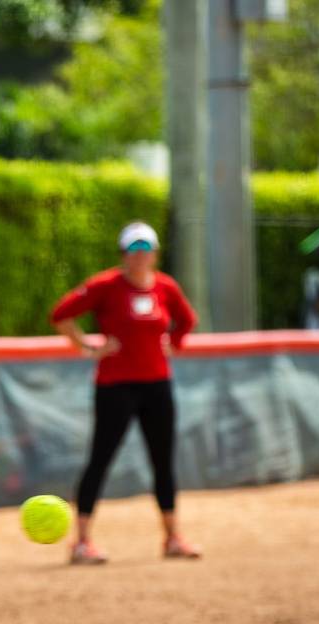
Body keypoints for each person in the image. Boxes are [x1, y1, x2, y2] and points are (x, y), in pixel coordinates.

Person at [50, 221, 201, 564]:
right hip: (116, 386)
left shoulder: (165, 287)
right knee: (100, 459)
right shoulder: (106, 285)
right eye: (133, 249)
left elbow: (187, 320)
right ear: (123, 254)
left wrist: (174, 343)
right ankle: (82, 541)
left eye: (146, 249)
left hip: (156, 384)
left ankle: (172, 537)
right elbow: (60, 314)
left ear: (155, 254)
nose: (140, 256)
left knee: (163, 461)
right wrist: (87, 347)